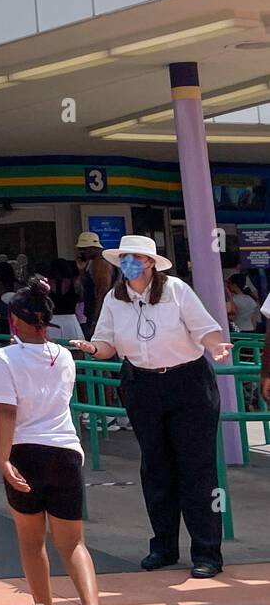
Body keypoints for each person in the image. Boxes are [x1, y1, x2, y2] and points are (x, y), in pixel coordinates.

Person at [69, 235, 231, 577]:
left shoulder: (175, 290)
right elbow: (107, 344)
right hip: (142, 384)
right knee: (155, 467)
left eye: (135, 258)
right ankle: (164, 547)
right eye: (124, 258)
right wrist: (91, 348)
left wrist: (217, 347)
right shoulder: (115, 298)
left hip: (187, 383)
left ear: (150, 264)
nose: (128, 265)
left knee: (196, 469)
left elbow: (206, 330)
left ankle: (206, 553)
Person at [0, 277, 101, 605]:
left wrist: (2, 458)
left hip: (25, 452)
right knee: (73, 543)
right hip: (66, 452)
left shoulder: (3, 357)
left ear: (16, 321)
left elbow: (6, 411)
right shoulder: (65, 356)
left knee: (31, 541)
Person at [75, 232, 111, 332]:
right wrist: (81, 270)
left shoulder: (100, 263)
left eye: (83, 249)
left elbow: (101, 292)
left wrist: (96, 319)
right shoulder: (95, 262)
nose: (81, 252)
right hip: (97, 312)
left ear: (92, 248)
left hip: (100, 314)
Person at [47, 257, 85, 343]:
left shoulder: (47, 284)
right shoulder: (75, 283)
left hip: (52, 320)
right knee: (75, 350)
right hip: (71, 321)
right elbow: (81, 298)